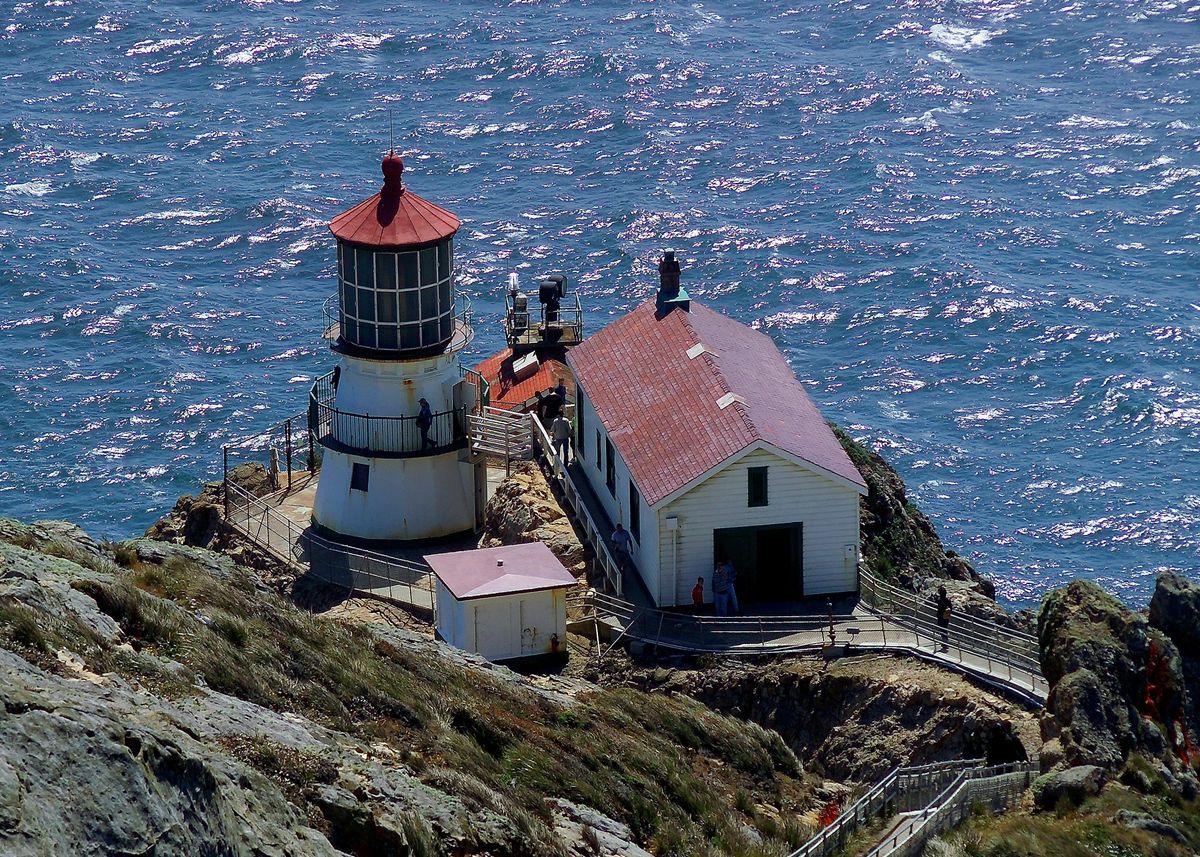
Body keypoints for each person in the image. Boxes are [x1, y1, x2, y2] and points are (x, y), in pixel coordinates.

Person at [935, 585, 952, 651]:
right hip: (946, 617)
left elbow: (939, 609)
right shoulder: (947, 600)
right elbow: (951, 608)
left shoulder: (940, 600)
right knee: (945, 630)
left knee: (942, 630)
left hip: (941, 617)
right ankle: (945, 642)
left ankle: (945, 643)